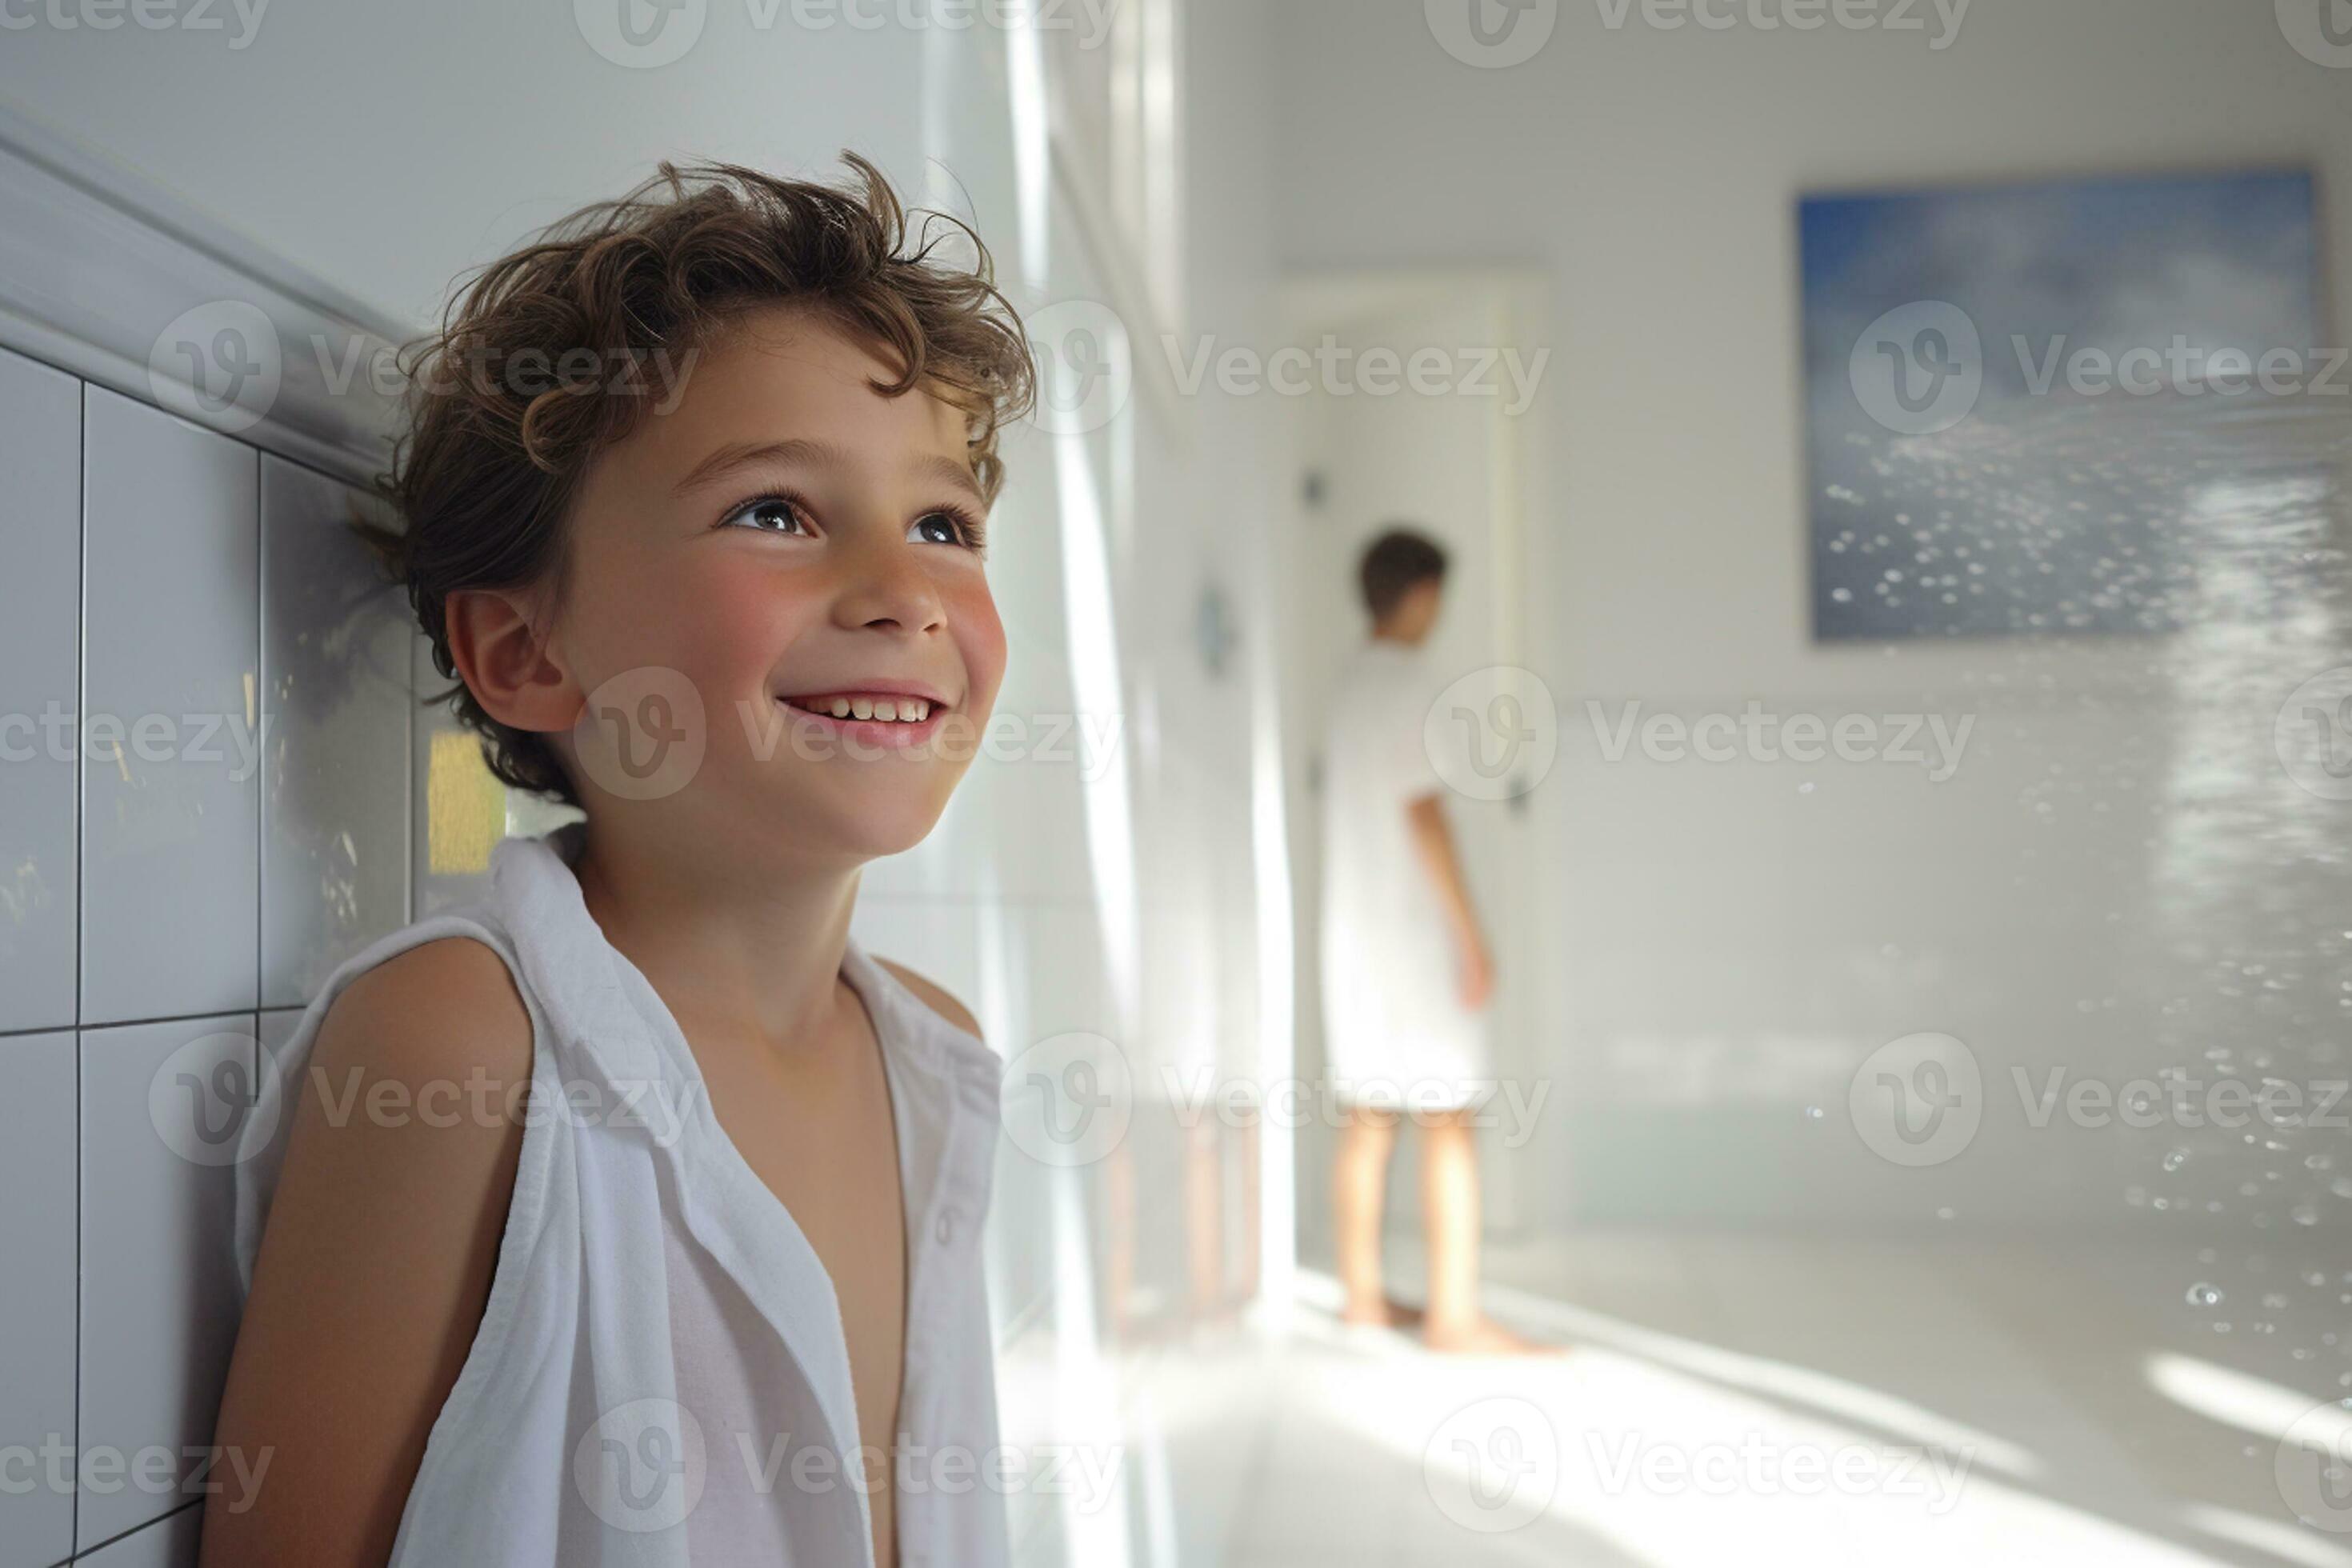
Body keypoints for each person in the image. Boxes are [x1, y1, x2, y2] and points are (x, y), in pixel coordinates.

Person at [203, 155, 1035, 1566]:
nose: (905, 594)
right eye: (776, 510)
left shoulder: (932, 1056)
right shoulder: (459, 1047)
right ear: (528, 652)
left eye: (942, 524)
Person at [1319, 528, 1545, 1354]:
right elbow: (1423, 813)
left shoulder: (1348, 686)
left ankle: (1363, 1299)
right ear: (1421, 594)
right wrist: (1471, 935)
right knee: (1449, 1119)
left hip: (1352, 940)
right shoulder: (1412, 684)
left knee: (1369, 1119)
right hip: (1413, 940)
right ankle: (1455, 1315)